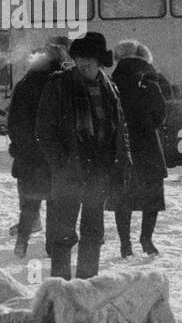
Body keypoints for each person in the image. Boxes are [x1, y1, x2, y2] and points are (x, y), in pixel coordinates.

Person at [34, 31, 131, 279]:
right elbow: (44, 131)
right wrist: (61, 162)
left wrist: (123, 160)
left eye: (89, 59)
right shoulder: (58, 86)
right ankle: (60, 286)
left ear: (99, 61)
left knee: (93, 234)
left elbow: (120, 128)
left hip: (99, 172)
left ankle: (87, 284)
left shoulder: (110, 88)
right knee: (63, 234)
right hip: (69, 173)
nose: (83, 63)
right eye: (79, 58)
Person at [7, 37, 71, 256]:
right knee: (55, 203)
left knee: (30, 203)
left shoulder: (24, 85)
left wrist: (18, 146)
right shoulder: (61, 85)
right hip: (54, 154)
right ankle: (52, 247)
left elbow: (13, 122)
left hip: (29, 155)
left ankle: (22, 242)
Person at [110, 40, 168, 257]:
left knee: (123, 198)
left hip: (120, 149)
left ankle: (125, 244)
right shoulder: (150, 82)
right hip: (148, 149)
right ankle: (146, 240)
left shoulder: (111, 83)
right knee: (151, 198)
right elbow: (159, 116)